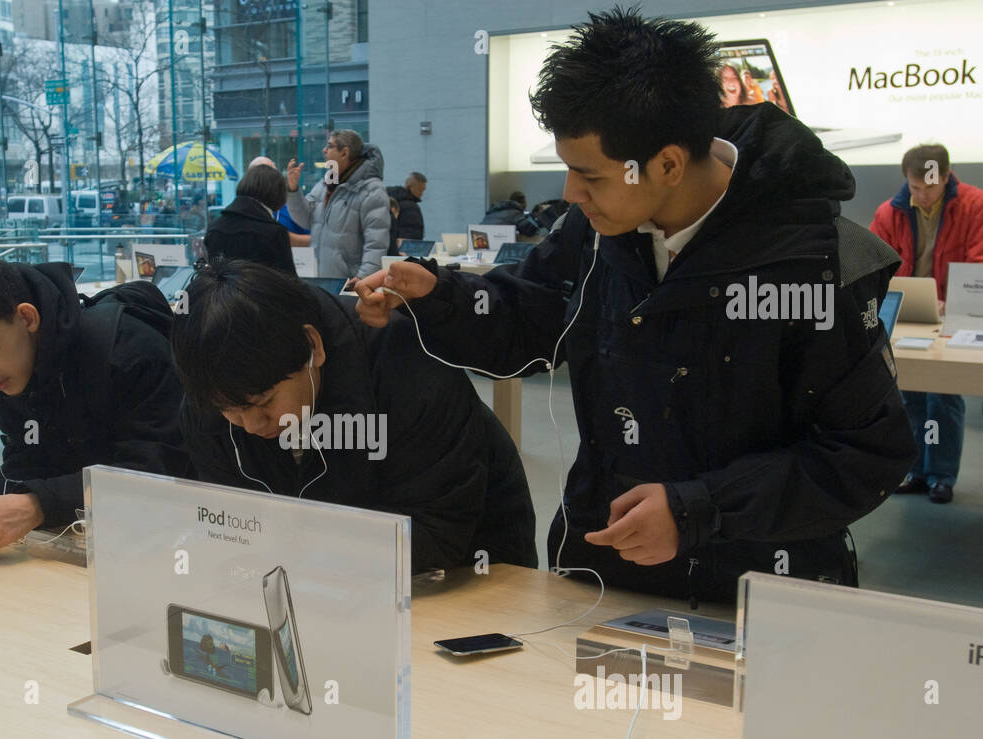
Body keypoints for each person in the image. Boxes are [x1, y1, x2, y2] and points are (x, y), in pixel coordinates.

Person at [354, 7, 917, 604]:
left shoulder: (813, 261)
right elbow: (533, 318)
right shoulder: (600, 228)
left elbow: (864, 456)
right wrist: (440, 297)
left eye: (587, 175)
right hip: (608, 575)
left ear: (668, 164)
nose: (570, 194)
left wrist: (699, 510)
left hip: (763, 594)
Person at [172, 258, 538, 574]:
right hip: (316, 582)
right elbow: (229, 521)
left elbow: (437, 531)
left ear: (312, 346)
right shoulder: (213, 388)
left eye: (265, 402)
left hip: (467, 568)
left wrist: (301, 550)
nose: (251, 425)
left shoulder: (407, 366)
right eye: (230, 410)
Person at [0, 255, 194, 550]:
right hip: (94, 541)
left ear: (27, 318)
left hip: (179, 541)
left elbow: (157, 471)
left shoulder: (127, 350)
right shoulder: (7, 372)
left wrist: (37, 505)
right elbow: (29, 457)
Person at [870, 143, 983, 504]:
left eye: (930, 187)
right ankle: (916, 469)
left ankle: (941, 475)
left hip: (954, 315)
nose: (922, 195)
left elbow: (978, 262)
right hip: (909, 316)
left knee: (944, 396)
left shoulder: (974, 205)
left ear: (947, 176)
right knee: (909, 395)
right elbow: (874, 265)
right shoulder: (889, 212)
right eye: (915, 187)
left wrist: (951, 302)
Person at [284, 130, 390, 282]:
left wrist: (363, 277)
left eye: (330, 146)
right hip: (322, 280)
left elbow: (376, 243)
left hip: (350, 284)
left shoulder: (371, 190)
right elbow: (305, 219)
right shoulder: (325, 185)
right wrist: (293, 191)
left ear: (344, 152)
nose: (324, 150)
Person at [205, 164, 295, 274]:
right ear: (277, 193)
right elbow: (289, 282)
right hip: (262, 290)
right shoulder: (274, 232)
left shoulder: (214, 228)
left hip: (221, 291)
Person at [387, 172, 427, 241]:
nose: (421, 194)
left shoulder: (389, 199)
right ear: (409, 187)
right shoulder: (411, 207)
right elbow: (411, 235)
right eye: (420, 189)